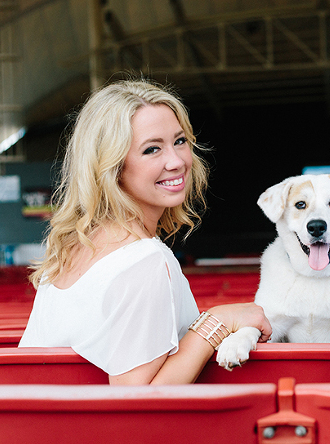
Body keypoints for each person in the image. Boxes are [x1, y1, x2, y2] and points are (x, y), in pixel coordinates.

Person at [19, 80, 271, 385]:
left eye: (179, 141)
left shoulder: (73, 247)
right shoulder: (143, 261)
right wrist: (215, 323)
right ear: (110, 167)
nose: (177, 161)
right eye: (152, 149)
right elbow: (136, 405)